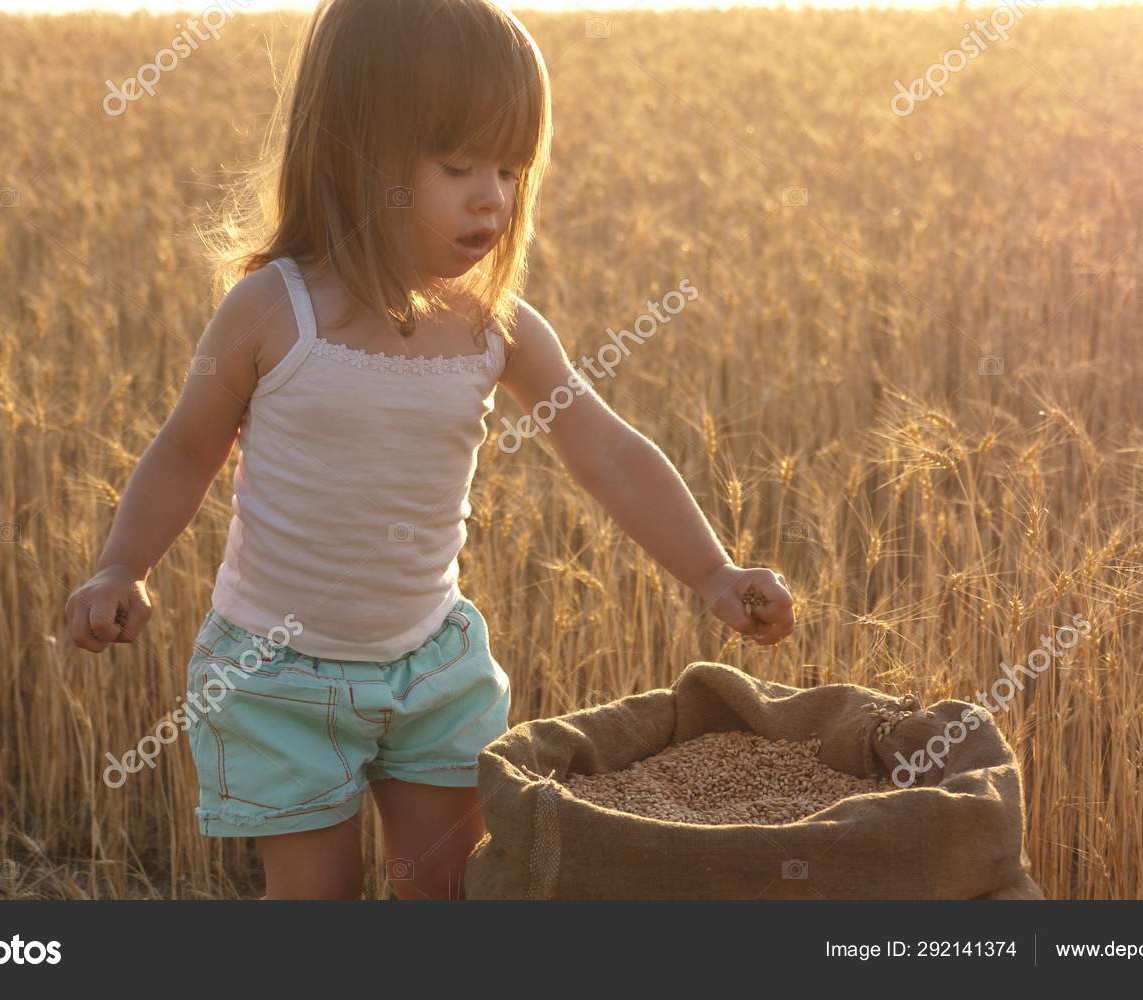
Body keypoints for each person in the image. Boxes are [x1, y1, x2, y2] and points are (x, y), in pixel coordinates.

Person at [64, 0, 793, 901]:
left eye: (511, 168)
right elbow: (185, 450)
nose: (493, 195)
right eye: (459, 166)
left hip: (433, 669)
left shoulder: (496, 328)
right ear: (358, 155)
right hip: (277, 674)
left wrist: (713, 573)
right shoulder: (271, 313)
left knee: (444, 892)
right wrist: (120, 566)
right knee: (315, 900)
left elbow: (604, 449)